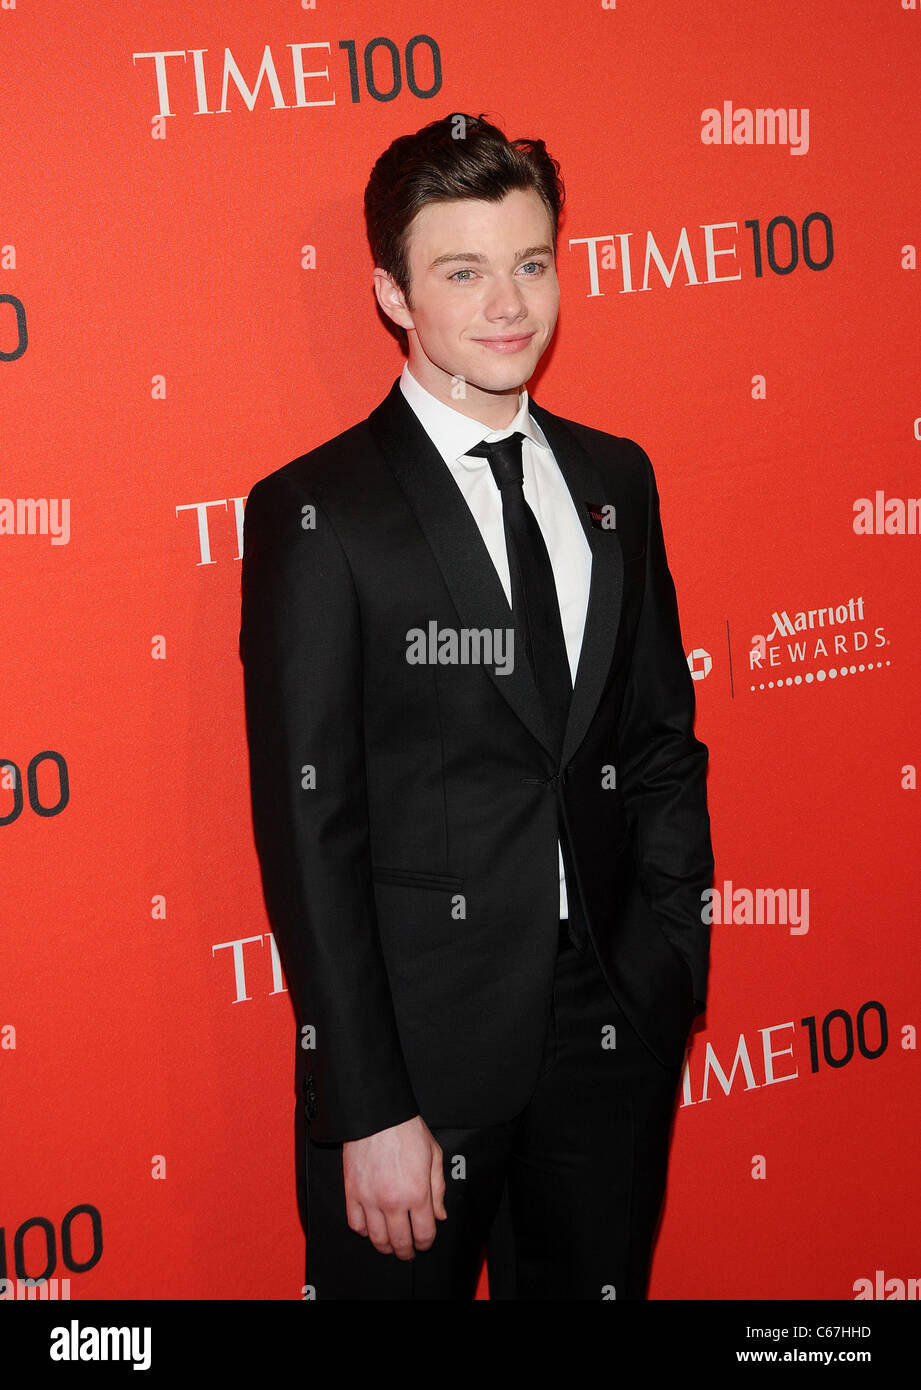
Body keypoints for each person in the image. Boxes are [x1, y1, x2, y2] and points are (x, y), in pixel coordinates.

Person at [239, 111, 713, 1300]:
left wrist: (666, 964)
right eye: (463, 271)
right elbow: (311, 829)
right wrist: (369, 1103)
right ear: (392, 294)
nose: (511, 305)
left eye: (533, 263)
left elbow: (659, 740)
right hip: (418, 1061)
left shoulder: (617, 477)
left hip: (609, 1032)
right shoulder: (319, 514)